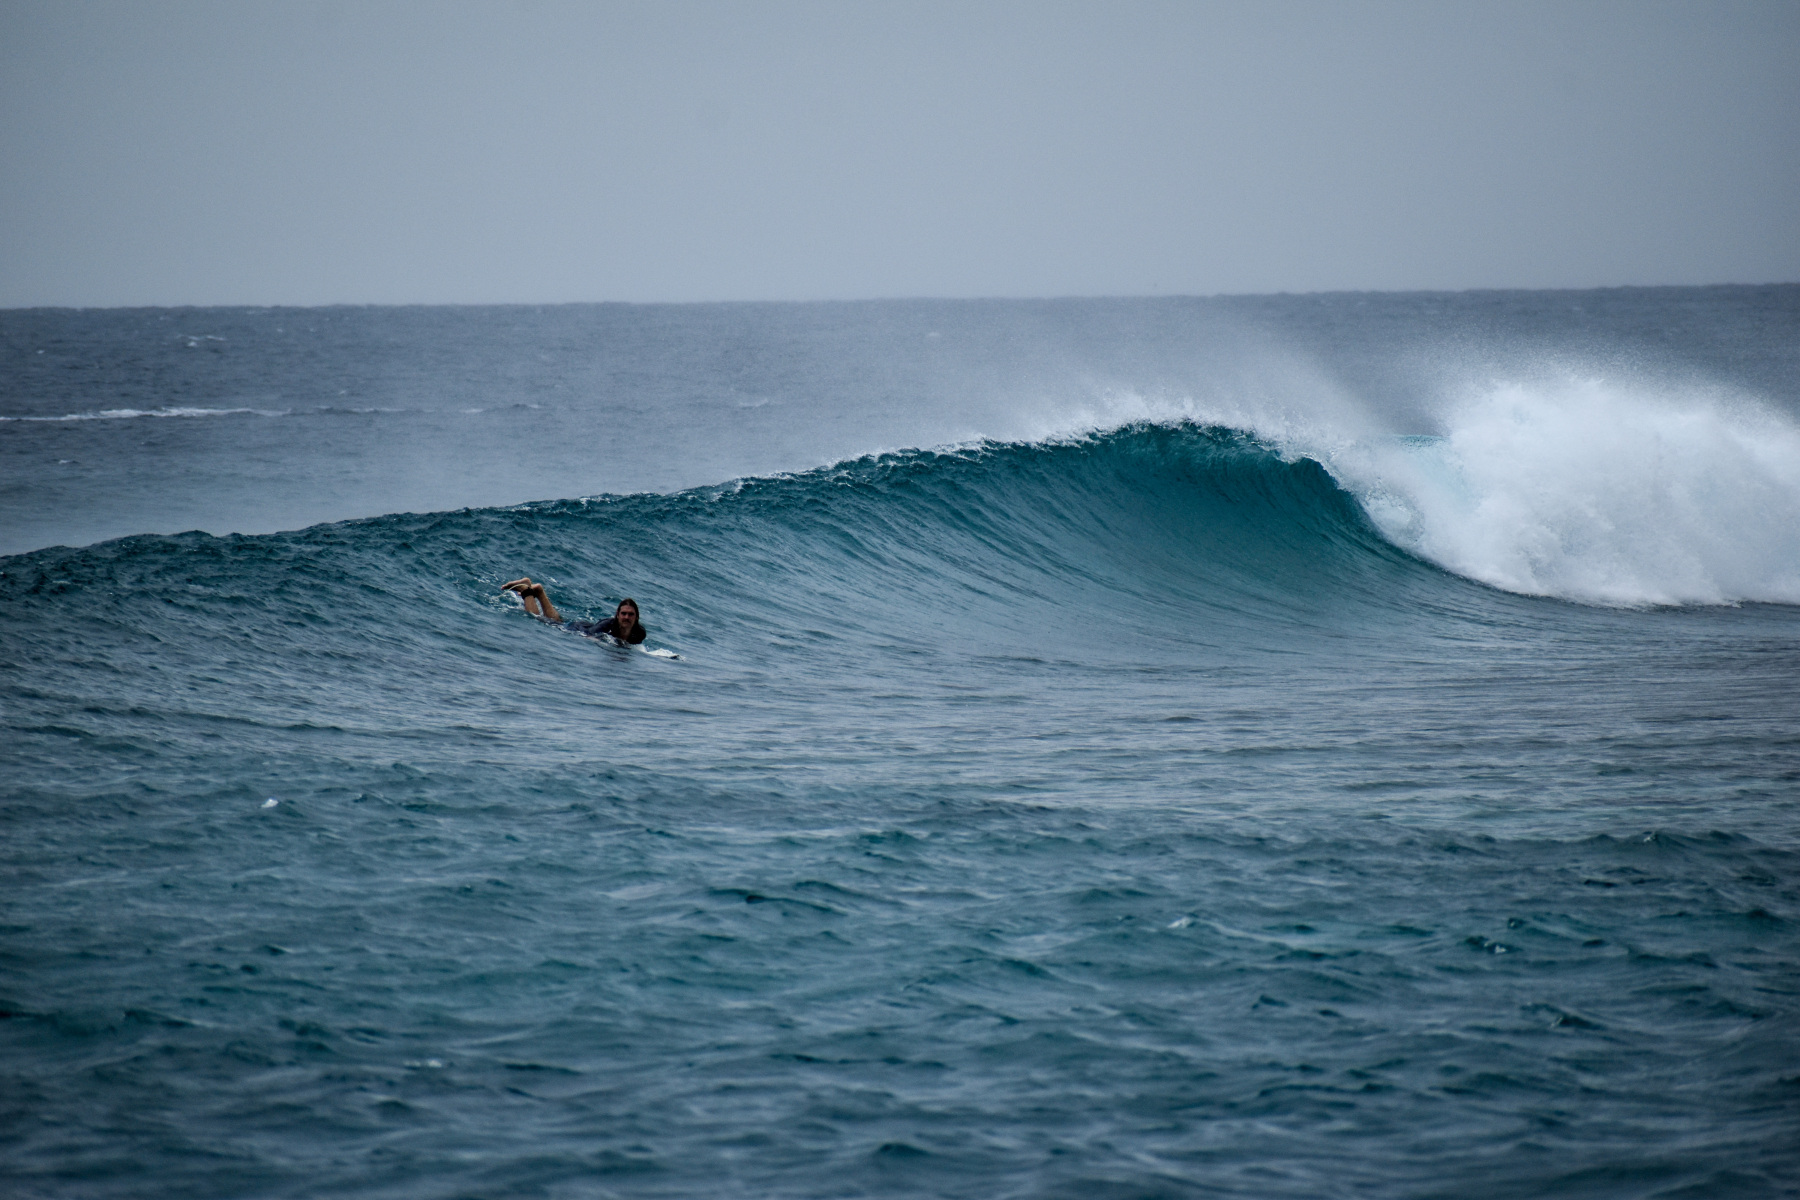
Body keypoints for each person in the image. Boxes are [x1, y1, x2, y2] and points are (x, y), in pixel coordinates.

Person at [502, 578, 647, 645]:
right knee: (540, 620)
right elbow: (589, 635)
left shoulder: (639, 633)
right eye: (624, 613)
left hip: (584, 625)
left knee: (555, 621)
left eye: (630, 614)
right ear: (617, 615)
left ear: (636, 618)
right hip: (578, 629)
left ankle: (539, 591)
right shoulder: (608, 624)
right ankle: (526, 591)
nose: (626, 617)